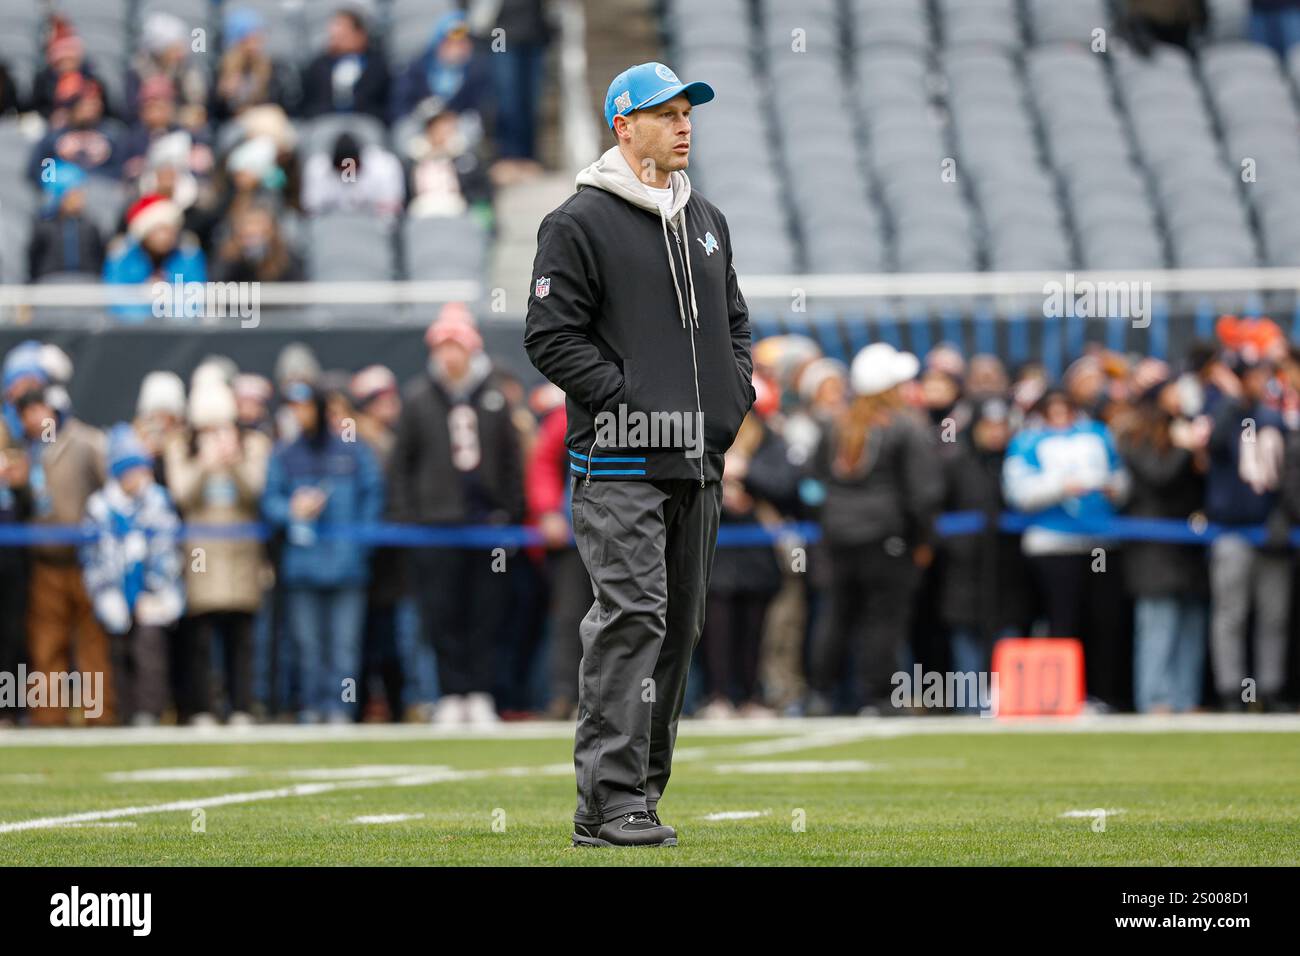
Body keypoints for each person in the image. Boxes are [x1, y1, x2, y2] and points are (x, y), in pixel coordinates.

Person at [524, 62, 753, 847]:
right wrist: (633, 404)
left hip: (697, 462)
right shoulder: (577, 222)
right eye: (667, 113)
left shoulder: (708, 219)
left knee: (677, 627)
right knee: (632, 620)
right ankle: (607, 803)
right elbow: (549, 337)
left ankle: (640, 798)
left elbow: (735, 330)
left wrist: (730, 404)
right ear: (624, 126)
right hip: (619, 461)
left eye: (689, 112)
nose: (685, 124)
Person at [389, 307, 524, 726]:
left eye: (455, 347)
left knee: (485, 612)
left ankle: (481, 692)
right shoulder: (416, 399)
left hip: (485, 526)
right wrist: (410, 516)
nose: (449, 357)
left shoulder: (494, 396)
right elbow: (401, 464)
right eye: (442, 347)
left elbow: (510, 461)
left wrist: (509, 512)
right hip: (437, 526)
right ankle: (450, 692)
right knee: (441, 612)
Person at [807, 343, 942, 716]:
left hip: (838, 535)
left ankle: (821, 694)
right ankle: (878, 696)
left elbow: (813, 482)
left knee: (836, 613)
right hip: (886, 536)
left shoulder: (835, 423)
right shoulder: (903, 426)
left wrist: (831, 518)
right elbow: (924, 494)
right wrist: (922, 540)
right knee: (883, 616)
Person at [262, 380, 383, 723]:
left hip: (347, 567)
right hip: (303, 566)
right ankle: (312, 707)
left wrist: (359, 548)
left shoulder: (353, 450)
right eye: (293, 407)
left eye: (304, 406)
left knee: (345, 647)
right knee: (307, 647)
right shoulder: (284, 453)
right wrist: (292, 509)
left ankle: (340, 709)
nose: (298, 414)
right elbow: (269, 502)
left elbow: (372, 498)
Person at [3, 345, 111, 725]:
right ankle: (48, 719)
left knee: (92, 643)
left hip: (84, 558)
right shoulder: (24, 453)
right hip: (44, 562)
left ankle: (100, 716)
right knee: (46, 644)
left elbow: (109, 492)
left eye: (38, 410)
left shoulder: (86, 441)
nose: (34, 419)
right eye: (26, 413)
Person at [1003, 389, 1131, 709]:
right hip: (1053, 545)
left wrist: (1110, 488)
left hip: (1099, 543)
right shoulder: (1027, 441)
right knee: (1062, 621)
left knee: (1103, 621)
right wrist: (1062, 486)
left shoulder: (1098, 435)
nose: (1060, 416)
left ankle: (1101, 695)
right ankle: (1062, 695)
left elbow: (1122, 480)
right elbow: (1019, 492)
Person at [165, 374, 271, 725]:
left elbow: (256, 493)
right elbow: (181, 495)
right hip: (201, 554)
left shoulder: (253, 443)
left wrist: (235, 462)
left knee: (241, 635)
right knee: (201, 636)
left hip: (241, 552)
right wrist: (204, 465)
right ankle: (203, 708)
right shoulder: (180, 445)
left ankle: (241, 706)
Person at [699, 375, 799, 719]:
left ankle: (753, 695)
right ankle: (719, 695)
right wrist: (723, 491)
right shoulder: (706, 432)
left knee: (757, 629)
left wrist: (748, 474)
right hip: (716, 548)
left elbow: (787, 486)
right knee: (716, 626)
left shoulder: (770, 441)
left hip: (757, 553)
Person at [1116, 376, 1210, 714]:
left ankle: (1187, 699)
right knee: (1158, 625)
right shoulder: (1136, 438)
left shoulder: (1186, 431)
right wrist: (1185, 449)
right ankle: (1155, 698)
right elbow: (1159, 477)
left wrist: (1197, 453)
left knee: (1191, 624)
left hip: (1188, 547)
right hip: (1153, 549)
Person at [80, 424, 184, 726]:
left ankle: (149, 712)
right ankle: (122, 711)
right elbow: (92, 556)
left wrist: (155, 590)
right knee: (116, 654)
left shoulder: (158, 501)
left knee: (150, 653)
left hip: (151, 594)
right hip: (115, 593)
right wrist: (106, 594)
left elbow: (169, 550)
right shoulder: (100, 507)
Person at [1205, 354, 1291, 710]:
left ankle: (1267, 690)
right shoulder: (1227, 413)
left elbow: (1289, 471)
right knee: (1231, 614)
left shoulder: (1274, 417)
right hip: (1232, 529)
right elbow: (1214, 445)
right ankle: (1232, 691)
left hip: (1272, 532)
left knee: (1274, 615)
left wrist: (1283, 515)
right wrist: (1230, 399)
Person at [103, 194, 207, 319]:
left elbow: (194, 303)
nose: (167, 236)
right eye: (161, 229)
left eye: (171, 229)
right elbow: (117, 302)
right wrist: (148, 302)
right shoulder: (122, 258)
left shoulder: (188, 255)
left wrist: (166, 301)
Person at [390, 11, 491, 123]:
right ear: (438, 42)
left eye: (462, 42)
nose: (457, 49)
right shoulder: (418, 68)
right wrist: (420, 114)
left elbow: (483, 109)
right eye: (450, 42)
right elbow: (399, 105)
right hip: (422, 128)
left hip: (457, 129)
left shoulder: (477, 71)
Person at [301, 6, 388, 119]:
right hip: (325, 121)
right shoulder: (319, 66)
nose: (336, 38)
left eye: (343, 35)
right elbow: (308, 104)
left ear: (360, 35)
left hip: (364, 121)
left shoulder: (376, 65)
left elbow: (383, 103)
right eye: (333, 36)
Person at [28, 161, 105, 280]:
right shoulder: (44, 226)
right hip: (50, 285)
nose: (79, 199)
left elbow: (99, 256)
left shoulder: (90, 226)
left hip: (87, 285)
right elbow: (34, 260)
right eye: (74, 195)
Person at [301, 132, 405, 218]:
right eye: (343, 170)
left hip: (374, 229)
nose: (348, 174)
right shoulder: (316, 168)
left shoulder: (384, 166)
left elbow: (393, 211)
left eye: (351, 168)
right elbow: (311, 212)